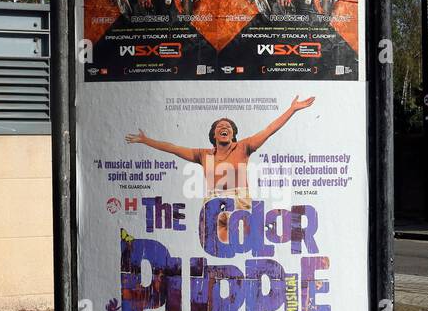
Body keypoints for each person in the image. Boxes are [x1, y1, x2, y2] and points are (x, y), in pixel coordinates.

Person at [125, 96, 315, 243]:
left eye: (228, 127)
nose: (224, 127)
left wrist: (292, 109)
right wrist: (146, 140)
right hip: (214, 201)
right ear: (213, 134)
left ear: (233, 134)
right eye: (219, 126)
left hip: (239, 201)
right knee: (219, 242)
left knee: (240, 240)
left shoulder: (244, 147)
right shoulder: (203, 154)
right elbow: (173, 148)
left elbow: (269, 129)